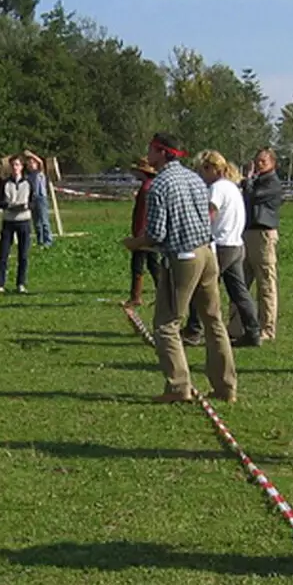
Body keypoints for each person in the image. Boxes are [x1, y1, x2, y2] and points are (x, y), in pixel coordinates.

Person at [122, 132, 237, 403]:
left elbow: (156, 234)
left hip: (183, 257)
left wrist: (135, 243)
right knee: (213, 321)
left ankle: (177, 388)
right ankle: (225, 387)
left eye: (151, 150)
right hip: (207, 253)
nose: (147, 155)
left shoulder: (160, 185)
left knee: (166, 324)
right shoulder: (194, 178)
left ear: (162, 153)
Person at [184, 150, 260, 348]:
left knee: (198, 285)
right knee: (239, 291)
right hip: (236, 244)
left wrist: (195, 232)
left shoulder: (217, 188)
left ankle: (194, 330)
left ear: (211, 168)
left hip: (221, 245)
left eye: (202, 170)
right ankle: (253, 331)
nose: (200, 175)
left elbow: (210, 213)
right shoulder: (233, 187)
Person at [231, 148, 282, 343]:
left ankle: (267, 328)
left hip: (263, 235)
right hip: (246, 232)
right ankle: (236, 326)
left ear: (272, 163)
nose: (259, 165)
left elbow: (252, 196)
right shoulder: (255, 182)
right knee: (240, 281)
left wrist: (248, 178)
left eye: (263, 162)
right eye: (257, 161)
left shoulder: (272, 184)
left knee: (266, 283)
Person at [0, 154, 32, 294]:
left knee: (23, 254)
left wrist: (27, 205)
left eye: (17, 165)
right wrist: (7, 205)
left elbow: (34, 201)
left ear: (22, 167)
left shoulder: (28, 182)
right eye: (13, 165)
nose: (15, 168)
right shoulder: (4, 182)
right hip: (8, 221)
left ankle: (21, 283)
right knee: (3, 254)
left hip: (24, 221)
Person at [125, 156, 160, 308]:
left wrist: (138, 236)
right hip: (150, 232)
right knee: (153, 264)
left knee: (137, 265)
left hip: (143, 233)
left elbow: (142, 215)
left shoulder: (146, 189)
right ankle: (162, 293)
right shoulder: (151, 185)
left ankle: (136, 297)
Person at [23, 149, 55, 248]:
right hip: (32, 199)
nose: (32, 165)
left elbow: (41, 161)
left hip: (41, 198)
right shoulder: (27, 176)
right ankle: (40, 241)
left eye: (33, 163)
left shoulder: (40, 172)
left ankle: (48, 241)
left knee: (44, 221)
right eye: (29, 163)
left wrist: (31, 155)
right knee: (36, 223)